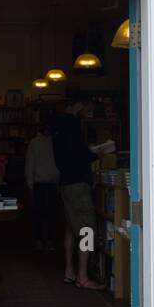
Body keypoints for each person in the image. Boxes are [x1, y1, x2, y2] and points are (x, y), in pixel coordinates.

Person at [52, 101, 105, 290]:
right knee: (87, 229)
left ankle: (69, 271)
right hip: (78, 183)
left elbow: (65, 155)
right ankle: (82, 276)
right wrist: (95, 154)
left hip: (65, 182)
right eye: (86, 107)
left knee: (70, 227)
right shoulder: (73, 124)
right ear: (78, 105)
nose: (87, 112)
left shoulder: (57, 125)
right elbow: (79, 154)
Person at [24, 114, 59, 252]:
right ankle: (44, 240)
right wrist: (30, 183)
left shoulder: (40, 142)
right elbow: (30, 164)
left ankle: (43, 241)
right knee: (45, 213)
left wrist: (30, 183)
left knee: (44, 213)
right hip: (44, 182)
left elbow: (29, 164)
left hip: (44, 182)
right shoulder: (42, 142)